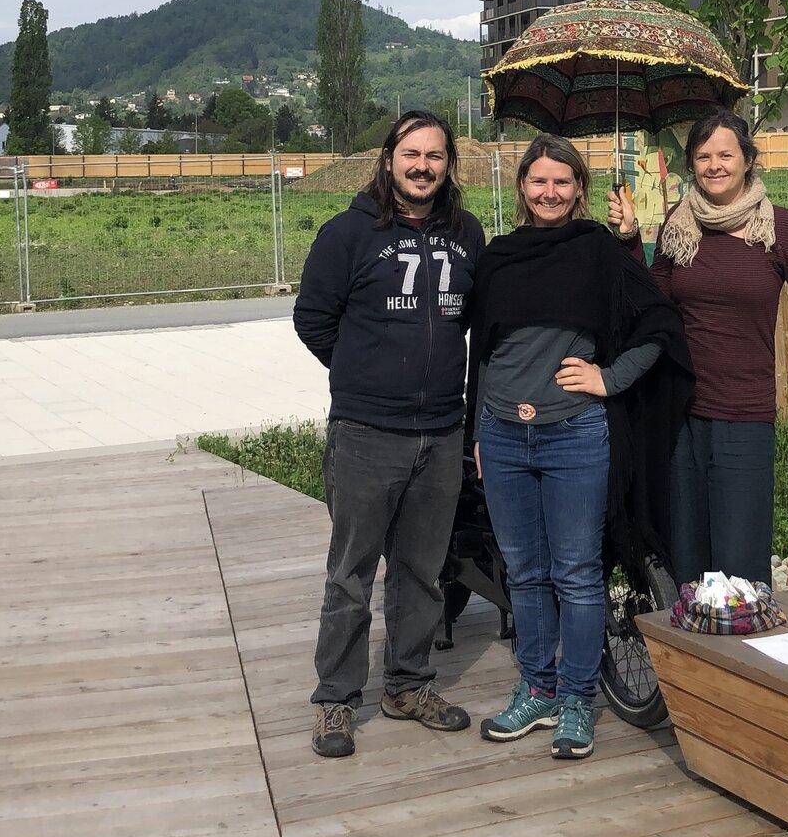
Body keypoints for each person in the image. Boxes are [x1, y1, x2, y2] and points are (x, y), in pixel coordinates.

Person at [464, 134, 690, 761]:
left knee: (577, 574)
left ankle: (576, 701)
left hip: (574, 435)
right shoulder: (499, 256)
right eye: (538, 181)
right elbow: (479, 353)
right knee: (526, 573)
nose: (550, 192)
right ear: (521, 190)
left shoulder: (597, 250)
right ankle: (536, 688)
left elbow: (655, 322)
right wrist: (477, 432)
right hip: (505, 435)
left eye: (562, 182)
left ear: (580, 191)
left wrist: (608, 379)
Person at [610, 110, 788, 588]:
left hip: (744, 418)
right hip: (682, 415)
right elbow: (652, 304)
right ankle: (694, 659)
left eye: (725, 154)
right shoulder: (679, 222)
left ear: (748, 160)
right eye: (703, 156)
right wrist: (631, 240)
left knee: (739, 566)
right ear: (692, 165)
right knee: (688, 561)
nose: (714, 165)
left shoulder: (779, 228)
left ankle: (741, 656)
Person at [293, 111, 486, 759]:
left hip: (441, 434)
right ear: (388, 159)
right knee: (350, 575)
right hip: (368, 434)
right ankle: (335, 702)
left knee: (422, 572)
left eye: (435, 155)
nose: (423, 165)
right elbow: (314, 318)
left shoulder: (467, 235)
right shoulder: (347, 234)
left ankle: (407, 685)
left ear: (447, 165)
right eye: (412, 153)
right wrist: (361, 375)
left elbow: (481, 325)